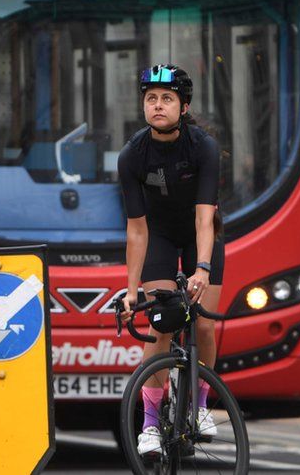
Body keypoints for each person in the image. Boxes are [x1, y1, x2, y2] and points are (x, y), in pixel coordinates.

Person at [117, 64, 224, 455]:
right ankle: (148, 425)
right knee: (161, 324)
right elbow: (136, 229)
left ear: (183, 106)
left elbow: (204, 217)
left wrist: (202, 269)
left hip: (202, 234)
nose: (157, 106)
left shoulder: (202, 147)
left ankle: (198, 405)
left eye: (166, 99)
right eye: (150, 99)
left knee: (206, 327)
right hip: (158, 235)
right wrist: (131, 291)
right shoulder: (132, 155)